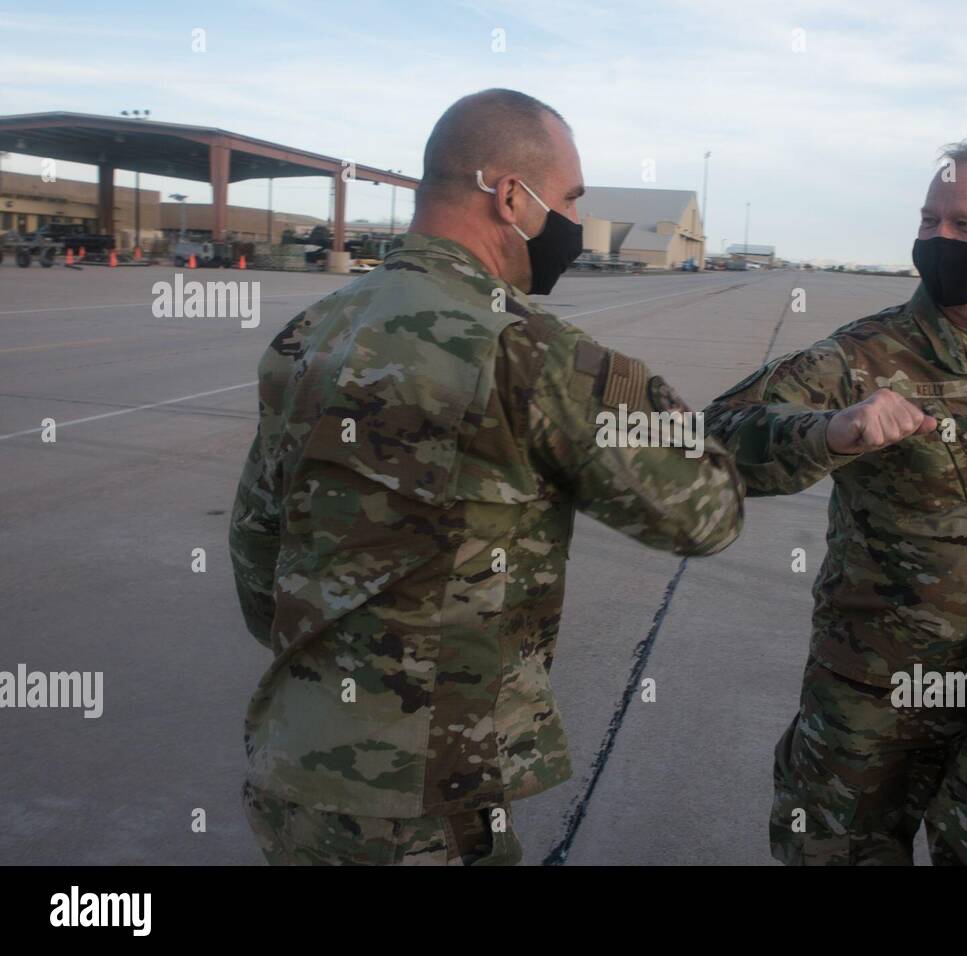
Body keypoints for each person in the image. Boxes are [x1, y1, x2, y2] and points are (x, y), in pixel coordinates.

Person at [230, 88, 743, 865]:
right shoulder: (529, 351)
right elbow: (703, 514)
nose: (571, 223)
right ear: (511, 197)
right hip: (426, 801)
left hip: (298, 771)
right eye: (568, 200)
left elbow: (256, 553)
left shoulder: (310, 332)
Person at [704, 139, 967, 865]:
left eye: (964, 226)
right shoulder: (863, 356)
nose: (939, 240)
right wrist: (833, 430)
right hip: (875, 696)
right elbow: (715, 437)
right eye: (928, 220)